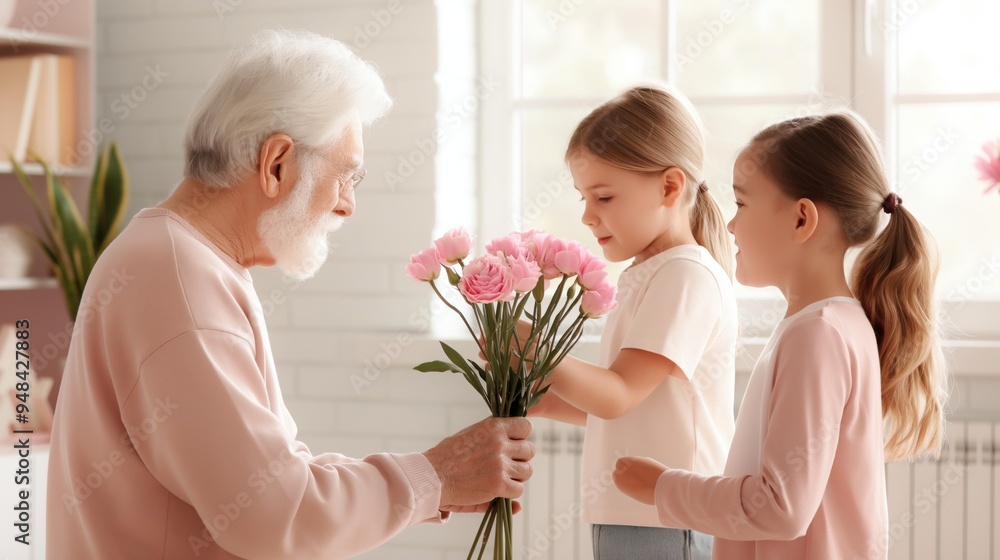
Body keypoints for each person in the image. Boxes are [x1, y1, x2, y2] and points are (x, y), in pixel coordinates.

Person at [46, 29, 534, 560]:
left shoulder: (182, 259)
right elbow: (272, 513)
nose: (348, 206)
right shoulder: (178, 277)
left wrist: (438, 480)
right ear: (276, 163)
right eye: (346, 177)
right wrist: (435, 475)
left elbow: (271, 478)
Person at [613, 110, 947, 560]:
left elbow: (781, 508)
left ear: (801, 219)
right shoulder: (830, 325)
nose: (730, 225)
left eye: (743, 204)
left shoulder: (819, 335)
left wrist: (663, 487)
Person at [527, 85, 738, 559]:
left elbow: (619, 395)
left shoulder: (684, 275)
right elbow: (637, 407)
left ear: (669, 186)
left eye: (603, 197)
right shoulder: (654, 274)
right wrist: (547, 402)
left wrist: (538, 349)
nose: (586, 215)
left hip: (665, 517)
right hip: (638, 513)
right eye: (583, 197)